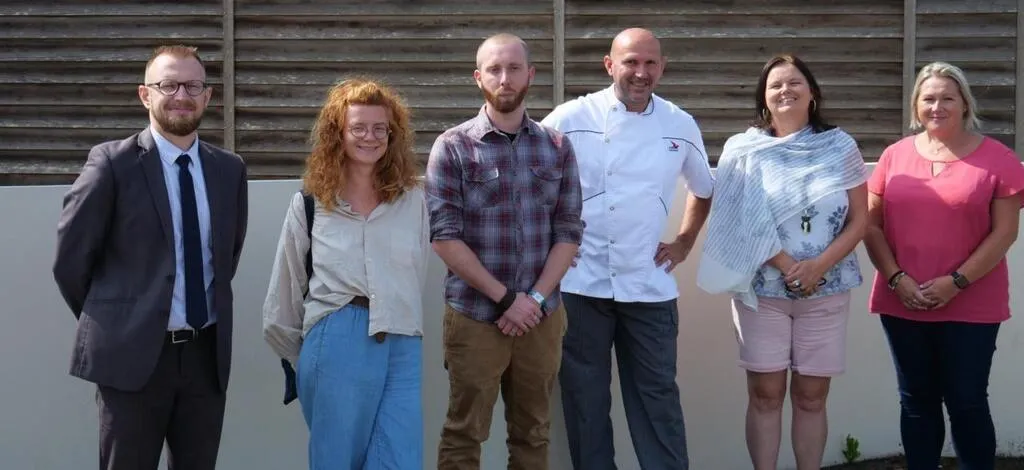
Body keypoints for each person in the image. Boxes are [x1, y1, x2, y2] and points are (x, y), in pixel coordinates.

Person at [52, 44, 248, 470]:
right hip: (132, 358)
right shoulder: (111, 163)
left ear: (208, 96)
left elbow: (226, 257)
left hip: (204, 357)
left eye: (193, 85)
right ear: (145, 94)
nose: (182, 95)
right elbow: (70, 260)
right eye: (169, 84)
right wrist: (118, 320)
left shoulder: (229, 169)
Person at [540, 28, 714, 470]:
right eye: (631, 62)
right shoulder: (570, 116)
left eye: (650, 63)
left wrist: (684, 242)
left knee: (658, 398)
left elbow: (704, 187)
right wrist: (552, 243)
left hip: (648, 285)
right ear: (609, 64)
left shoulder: (679, 122)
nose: (641, 72)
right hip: (581, 286)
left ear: (662, 67)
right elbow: (531, 178)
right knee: (584, 400)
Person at [696, 54, 868, 470]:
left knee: (811, 397)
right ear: (764, 99)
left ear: (812, 93)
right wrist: (790, 263)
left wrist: (817, 266)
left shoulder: (840, 146)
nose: (785, 91)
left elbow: (861, 219)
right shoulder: (743, 150)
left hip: (826, 288)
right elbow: (736, 217)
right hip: (762, 291)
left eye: (794, 83)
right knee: (765, 395)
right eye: (775, 85)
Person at [425, 33, 583, 470]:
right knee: (463, 434)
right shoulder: (452, 146)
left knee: (533, 433)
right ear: (478, 77)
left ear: (531, 75)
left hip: (542, 317)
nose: (504, 78)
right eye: (494, 69)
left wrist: (531, 300)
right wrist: (507, 299)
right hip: (475, 316)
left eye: (514, 68)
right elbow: (444, 236)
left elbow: (569, 231)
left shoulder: (556, 146)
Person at [863, 61, 1024, 470]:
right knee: (915, 400)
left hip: (971, 303)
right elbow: (871, 224)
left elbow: (1004, 233)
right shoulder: (894, 156)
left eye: (947, 98)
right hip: (903, 300)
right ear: (916, 105)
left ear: (965, 104)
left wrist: (955, 282)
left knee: (966, 400)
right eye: (928, 98)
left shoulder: (998, 159)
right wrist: (896, 279)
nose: (937, 106)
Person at [262, 78, 428, 469]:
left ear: (393, 134)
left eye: (379, 128)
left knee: (401, 459)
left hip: (403, 340)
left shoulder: (413, 201)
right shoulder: (311, 204)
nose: (369, 137)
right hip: (337, 336)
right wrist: (306, 362)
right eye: (358, 127)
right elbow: (285, 291)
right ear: (338, 133)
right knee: (337, 460)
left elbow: (415, 273)